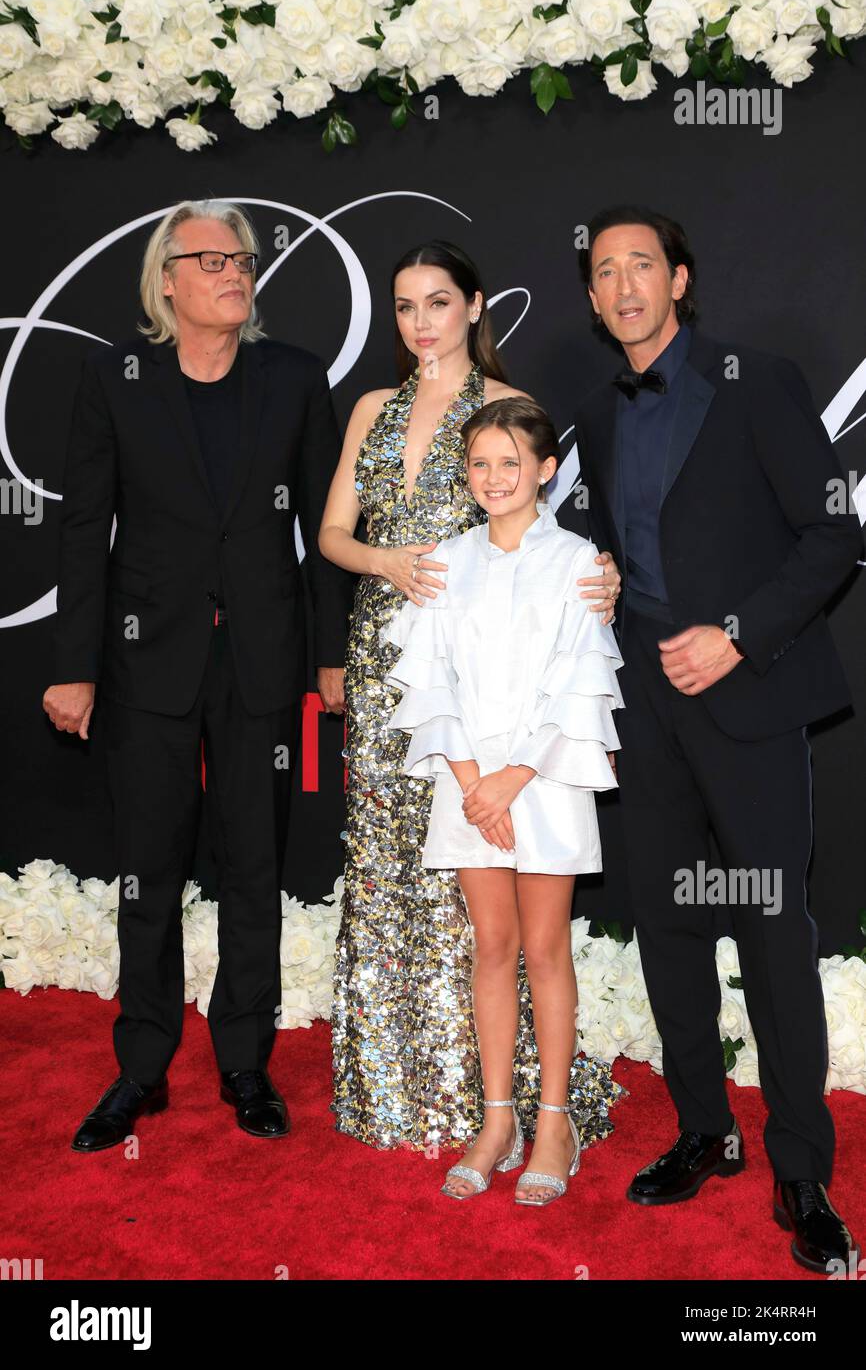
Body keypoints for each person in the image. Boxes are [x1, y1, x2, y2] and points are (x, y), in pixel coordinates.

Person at [573, 204, 862, 1272]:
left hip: (743, 697)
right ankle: (704, 1128)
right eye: (602, 272)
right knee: (667, 923)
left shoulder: (757, 379)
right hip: (644, 707)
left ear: (679, 279)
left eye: (640, 264)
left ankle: (802, 1171)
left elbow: (836, 523)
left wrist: (734, 636)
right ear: (593, 298)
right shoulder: (594, 415)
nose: (623, 285)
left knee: (772, 933)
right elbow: (619, 544)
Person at [42, 199, 353, 1150]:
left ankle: (245, 1062)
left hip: (260, 662)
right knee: (151, 870)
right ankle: (141, 1068)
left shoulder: (294, 379)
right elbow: (83, 526)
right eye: (211, 258)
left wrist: (332, 654)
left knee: (254, 864)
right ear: (166, 280)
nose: (234, 271)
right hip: (147, 663)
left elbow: (327, 534)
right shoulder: (114, 379)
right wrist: (74, 666)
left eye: (243, 258)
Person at [318, 240, 624, 1153]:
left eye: (437, 303)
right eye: (405, 305)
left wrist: (602, 579)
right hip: (396, 668)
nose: (420, 322)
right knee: (390, 876)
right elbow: (333, 531)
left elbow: (561, 543)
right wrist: (388, 565)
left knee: (507, 912)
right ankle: (407, 1088)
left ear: (475, 307)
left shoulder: (507, 412)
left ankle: (513, 1098)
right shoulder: (373, 408)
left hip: (502, 684)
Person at [382, 398, 624, 1204]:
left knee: (545, 949)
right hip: (465, 785)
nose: (493, 478)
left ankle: (554, 1120)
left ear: (546, 470)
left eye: (510, 463)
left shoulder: (581, 562)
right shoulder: (446, 561)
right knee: (492, 948)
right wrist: (470, 780)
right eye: (479, 464)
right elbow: (429, 678)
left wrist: (510, 780)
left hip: (545, 785)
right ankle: (498, 1121)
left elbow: (578, 682)